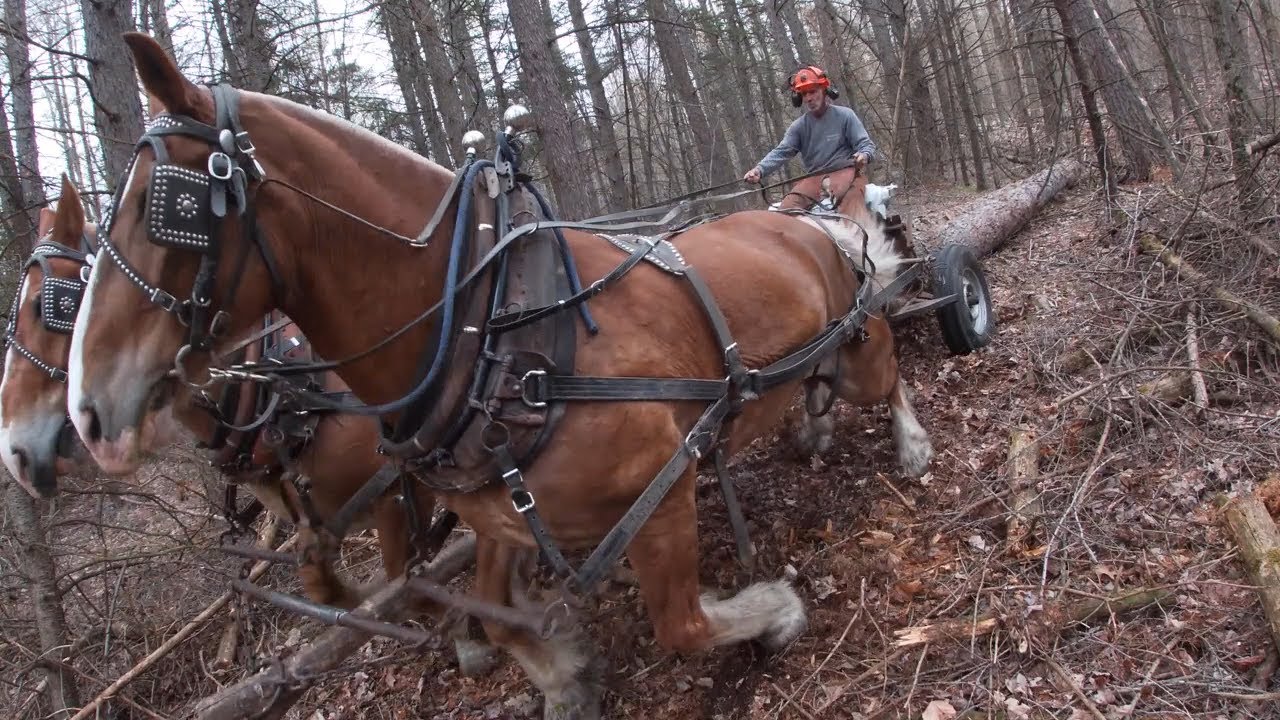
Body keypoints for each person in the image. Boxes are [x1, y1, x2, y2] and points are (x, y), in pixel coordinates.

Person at [743, 65, 877, 211]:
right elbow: (781, 152)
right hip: (815, 179)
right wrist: (760, 170)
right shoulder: (799, 127)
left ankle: (864, 233)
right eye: (804, 94)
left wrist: (863, 155)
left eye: (813, 92)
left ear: (825, 90)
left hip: (848, 174)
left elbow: (866, 145)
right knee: (787, 209)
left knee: (852, 208)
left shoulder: (845, 115)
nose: (808, 98)